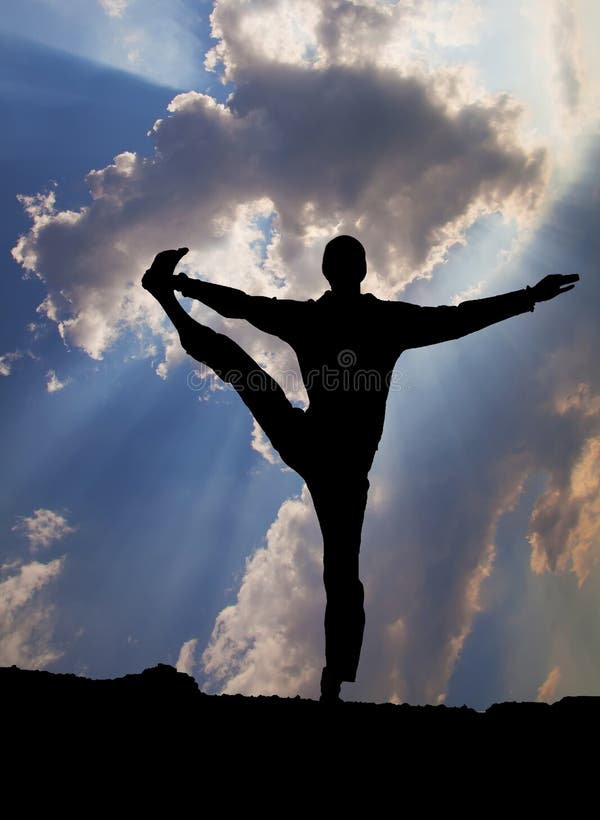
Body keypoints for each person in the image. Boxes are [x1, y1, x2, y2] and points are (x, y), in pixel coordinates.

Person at [141, 235, 579, 702]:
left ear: (337, 271)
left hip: (326, 458)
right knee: (341, 570)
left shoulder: (337, 317)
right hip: (327, 455)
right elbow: (243, 305)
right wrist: (530, 295)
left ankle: (335, 676)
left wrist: (530, 296)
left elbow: (459, 319)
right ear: (357, 269)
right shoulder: (371, 319)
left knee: (342, 571)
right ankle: (162, 292)